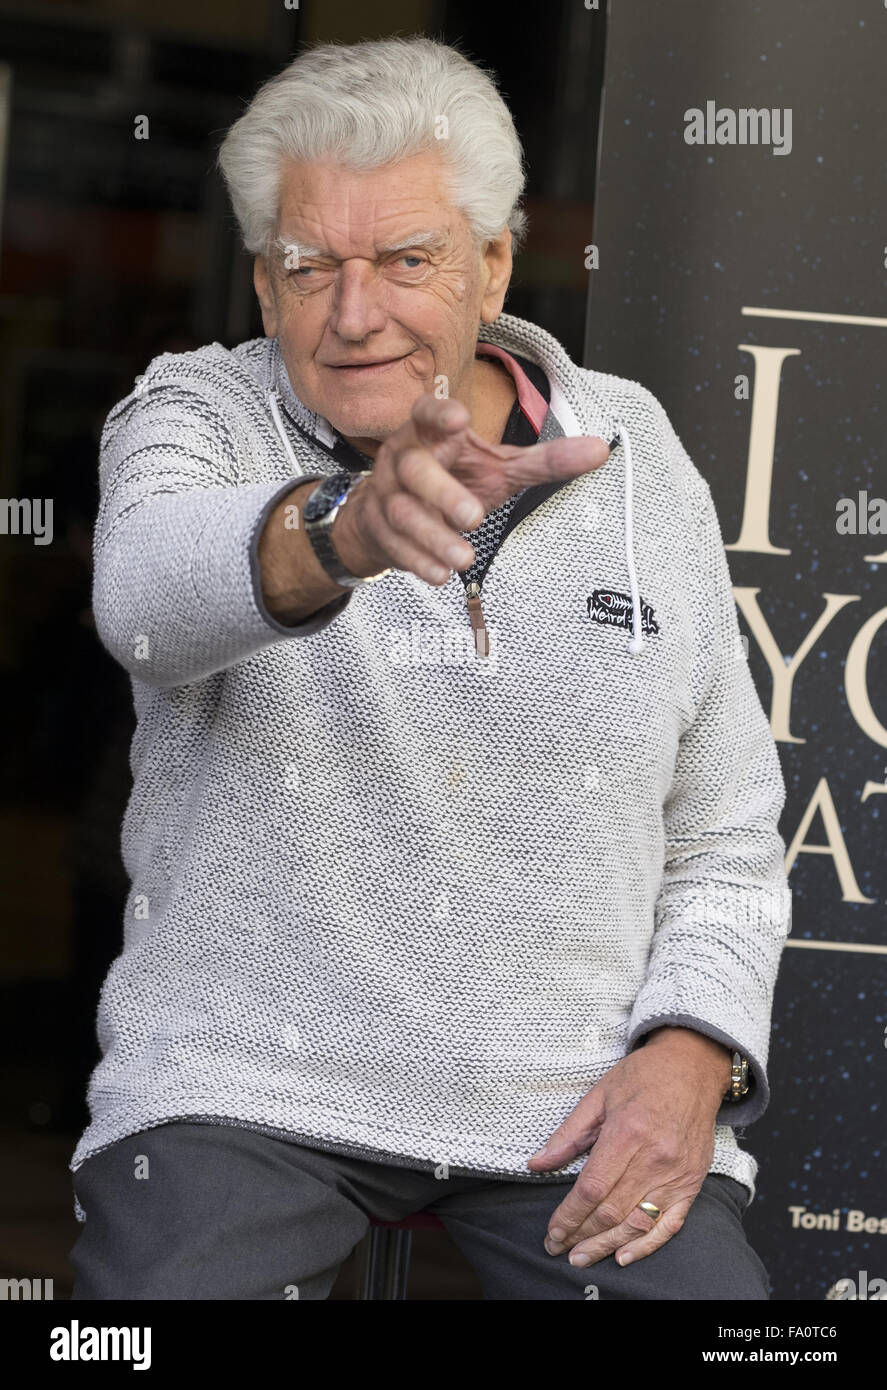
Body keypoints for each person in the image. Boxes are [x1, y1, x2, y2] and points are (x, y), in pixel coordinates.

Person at [68, 35, 790, 1301]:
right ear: (260, 280)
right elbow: (141, 595)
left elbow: (723, 829)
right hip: (244, 1085)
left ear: (493, 263)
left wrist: (693, 1047)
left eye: (406, 261)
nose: (354, 316)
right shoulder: (195, 412)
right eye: (311, 268)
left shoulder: (636, 451)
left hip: (568, 1102)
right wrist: (341, 533)